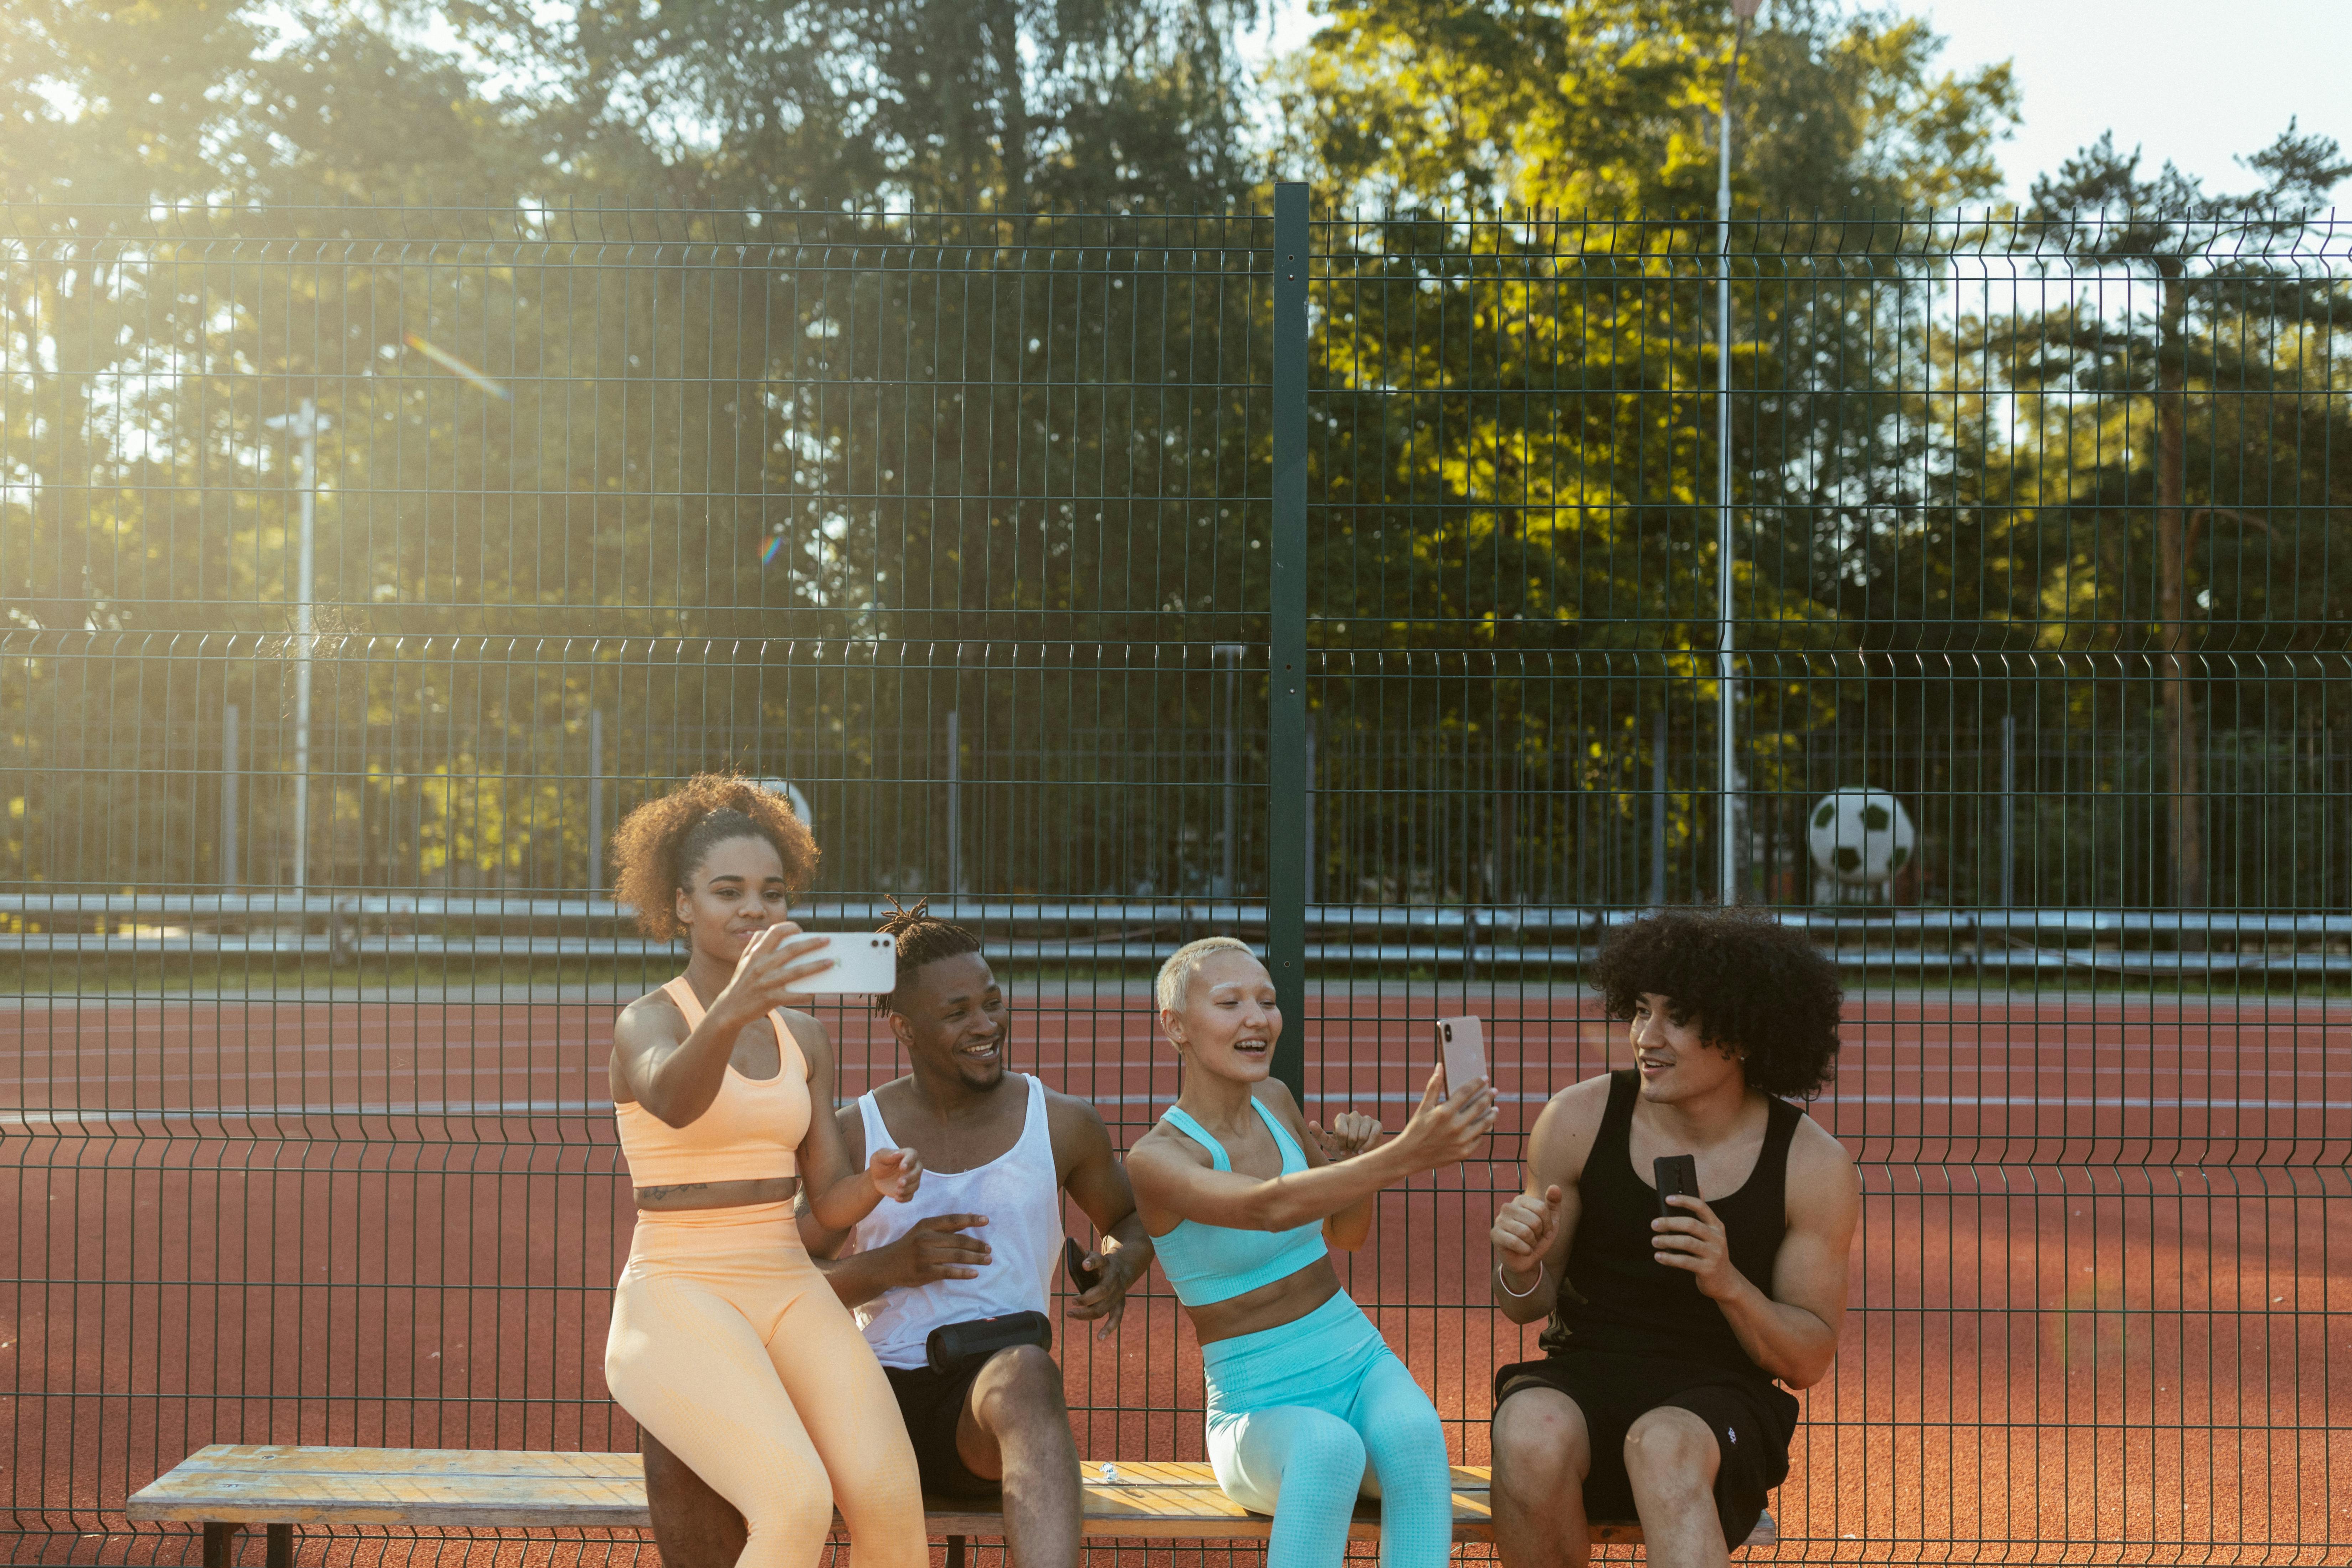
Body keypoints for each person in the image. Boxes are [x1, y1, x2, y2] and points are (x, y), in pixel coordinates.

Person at [640, 899, 1155, 1568]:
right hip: (860, 1398)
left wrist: (1120, 1265)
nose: (986, 1025)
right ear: (902, 1028)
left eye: (992, 1003)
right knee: (680, 1405)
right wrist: (890, 1266)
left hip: (980, 1410)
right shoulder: (856, 1134)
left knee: (1030, 1375)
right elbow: (774, 1277)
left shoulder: (1062, 1124)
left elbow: (1128, 1222)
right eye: (957, 1013)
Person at [601, 775, 929, 1568]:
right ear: (682, 905)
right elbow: (675, 1100)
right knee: (793, 1501)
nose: (754, 908)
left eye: (772, 893)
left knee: (887, 1498)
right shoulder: (648, 1018)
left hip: (785, 1278)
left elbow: (828, 1197)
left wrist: (877, 1182)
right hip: (677, 1286)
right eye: (728, 891)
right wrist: (737, 1002)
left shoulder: (805, 1037)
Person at [1486, 906, 1859, 1568]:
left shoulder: (1811, 1164)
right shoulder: (1575, 1119)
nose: (1644, 1038)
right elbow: (1526, 1308)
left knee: (1663, 1443)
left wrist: (1728, 1284)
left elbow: (1805, 1362)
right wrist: (1518, 1266)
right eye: (1638, 1011)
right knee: (1525, 1430)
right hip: (1584, 1377)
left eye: (1676, 1018)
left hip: (1719, 1407)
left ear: (1742, 1036)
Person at [1124, 937, 1495, 1568]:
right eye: (1230, 1002)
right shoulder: (1158, 1158)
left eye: (1267, 1001)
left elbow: (1345, 1233)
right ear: (1176, 1027)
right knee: (1328, 1450)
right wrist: (1404, 1153)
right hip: (1256, 1402)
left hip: (1356, 1357)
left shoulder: (1275, 1101)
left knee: (1415, 1440)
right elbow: (1266, 1208)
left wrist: (1357, 1167)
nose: (1257, 1018)